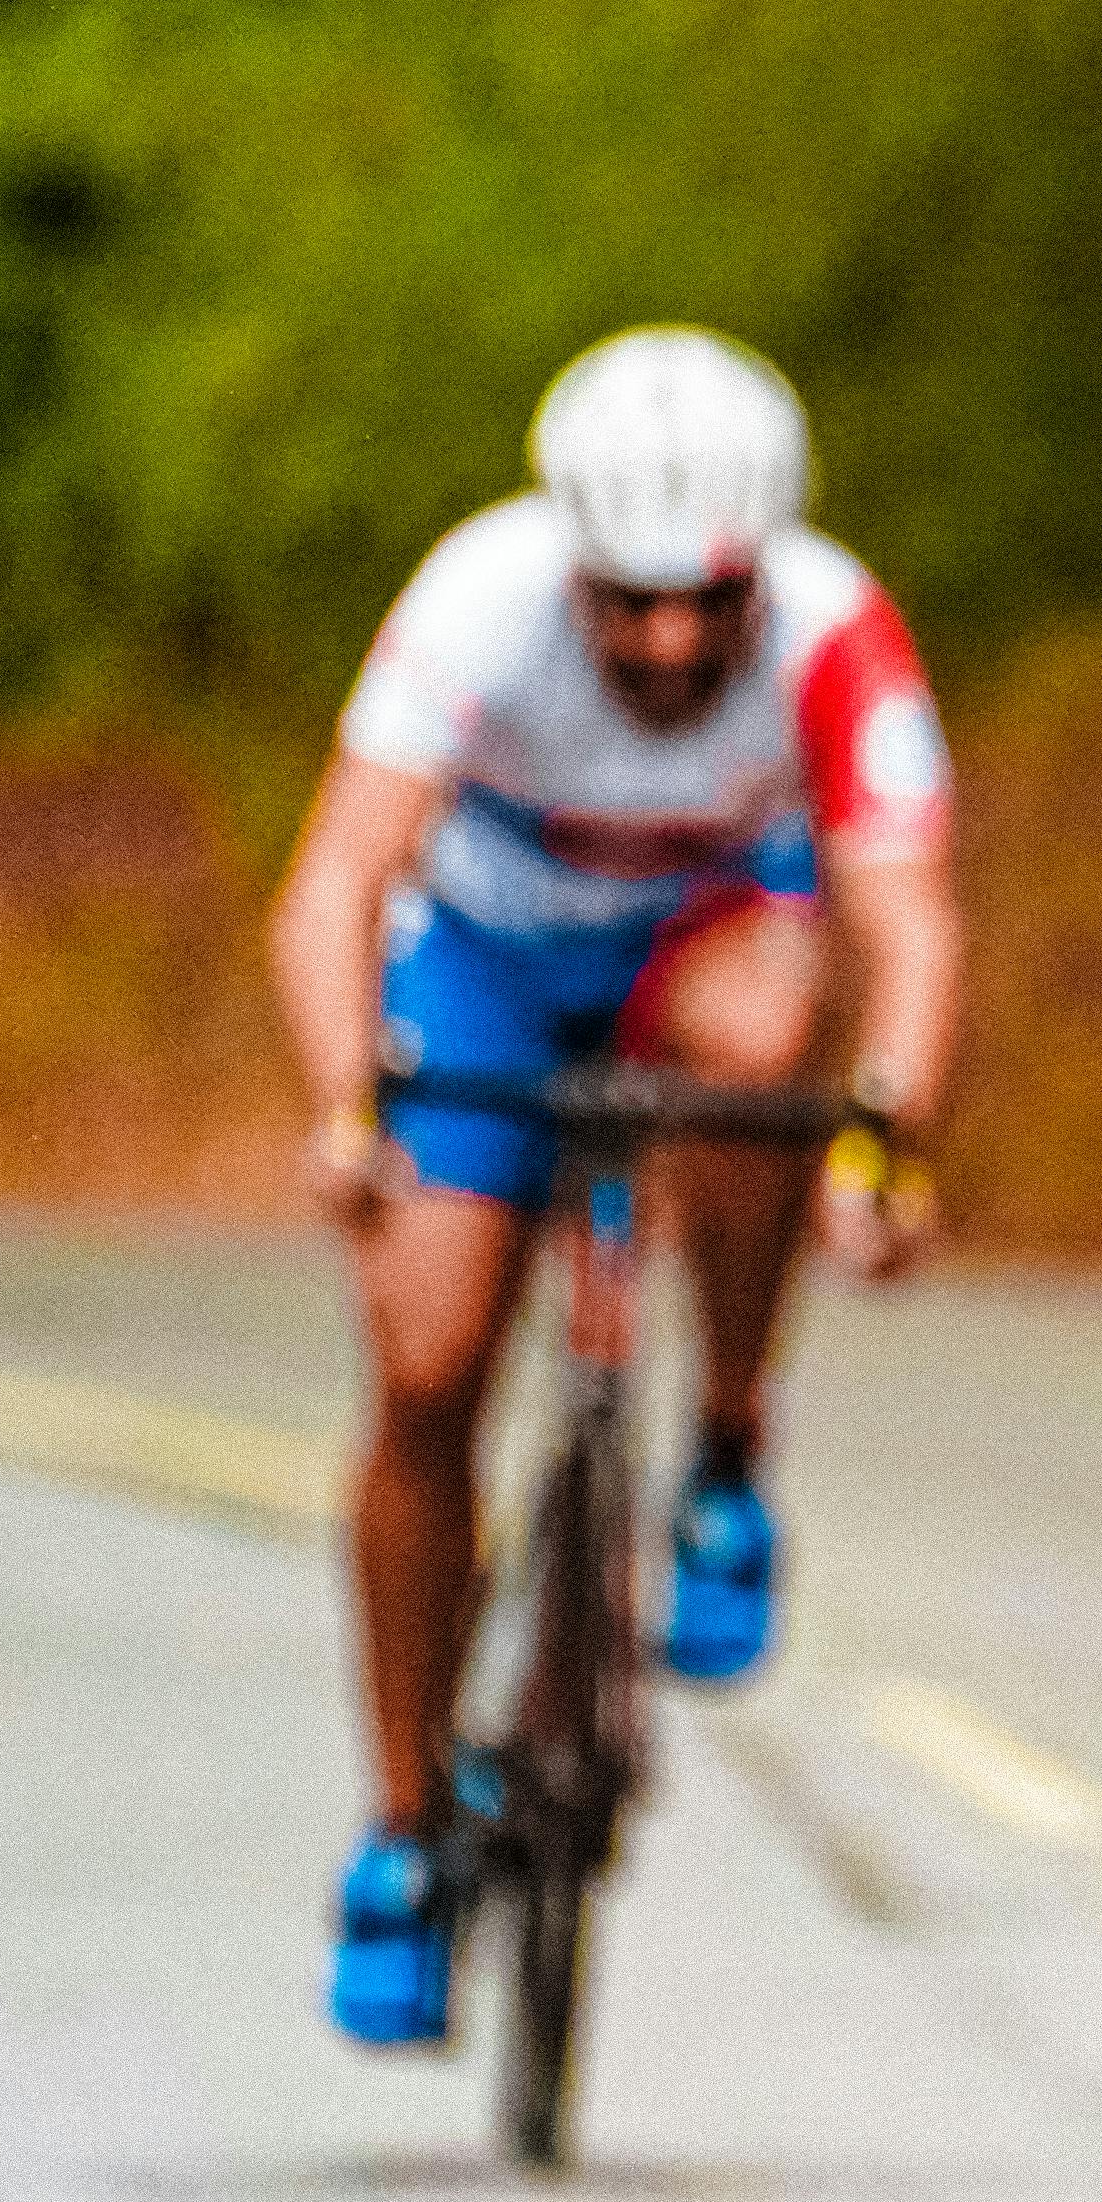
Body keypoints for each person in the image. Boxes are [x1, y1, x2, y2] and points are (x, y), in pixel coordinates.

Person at [268, 327, 966, 2048]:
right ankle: (405, 1828)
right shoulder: (476, 602)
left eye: (707, 603)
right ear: (571, 562)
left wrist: (887, 1140)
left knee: (769, 1035)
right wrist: (348, 1100)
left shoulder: (838, 634)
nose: (668, 642)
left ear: (763, 573)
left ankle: (724, 1449)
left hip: (700, 936)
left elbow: (910, 926)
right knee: (428, 1367)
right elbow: (337, 881)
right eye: (630, 603)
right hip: (485, 964)